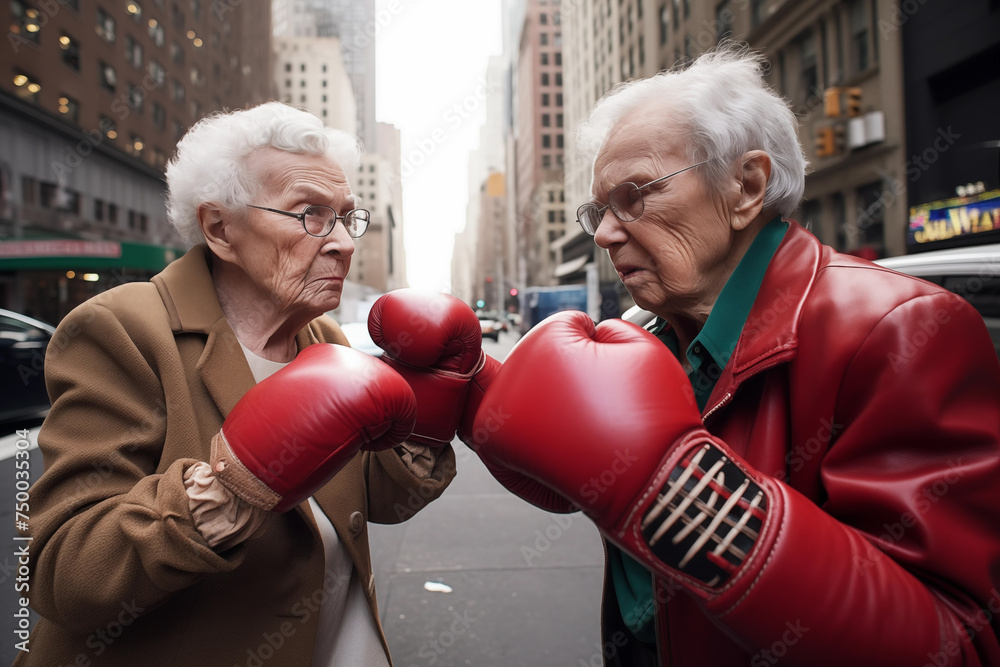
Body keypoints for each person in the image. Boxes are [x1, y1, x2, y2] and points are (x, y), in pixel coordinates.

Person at [373, 46, 1000, 666]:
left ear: (746, 186)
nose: (606, 233)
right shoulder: (646, 331)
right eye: (598, 211)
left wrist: (681, 494)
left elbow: (953, 641)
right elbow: (586, 484)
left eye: (635, 195)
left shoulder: (901, 330)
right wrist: (474, 382)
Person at [16, 102, 456, 667]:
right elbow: (60, 571)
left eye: (347, 216)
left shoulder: (319, 337)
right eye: (310, 215)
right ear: (220, 228)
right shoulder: (121, 330)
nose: (343, 242)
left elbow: (377, 502)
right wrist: (227, 489)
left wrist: (436, 408)